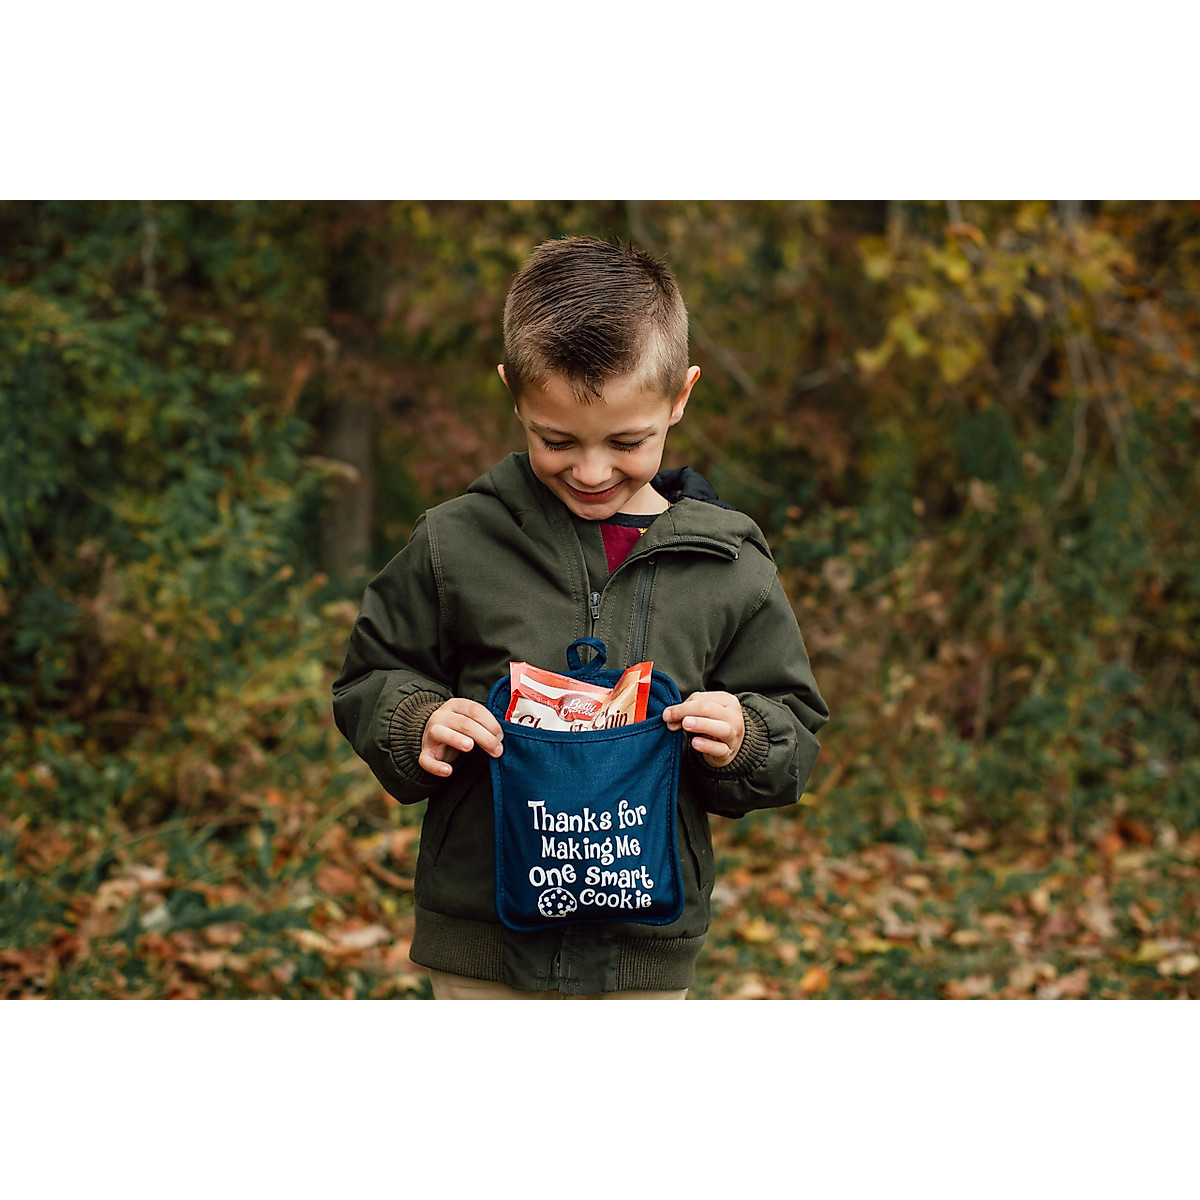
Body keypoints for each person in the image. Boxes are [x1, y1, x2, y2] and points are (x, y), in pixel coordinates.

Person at [332, 236, 829, 999]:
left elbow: (793, 726)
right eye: (555, 440)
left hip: (645, 952)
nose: (591, 471)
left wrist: (746, 736)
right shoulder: (456, 542)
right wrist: (416, 721)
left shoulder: (728, 565)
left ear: (681, 397)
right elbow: (372, 673)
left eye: (628, 442)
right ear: (514, 394)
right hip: (481, 946)